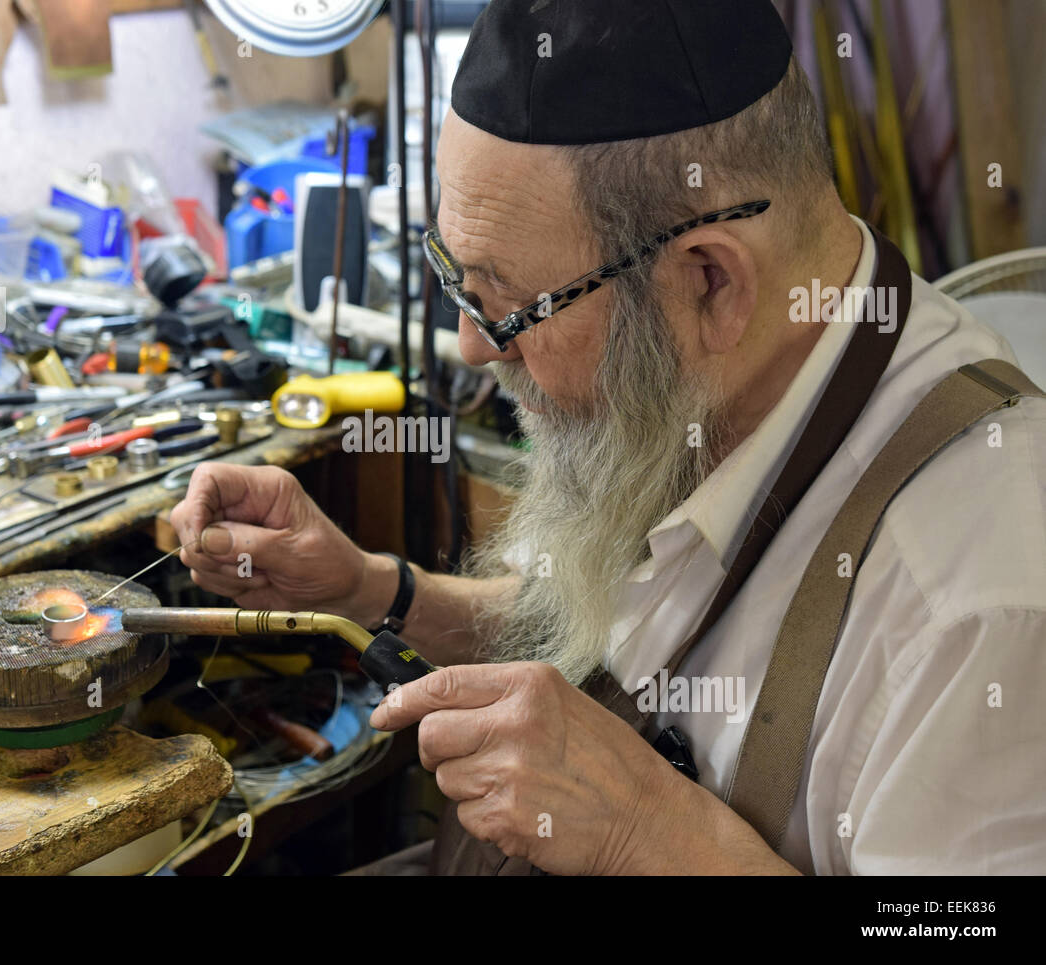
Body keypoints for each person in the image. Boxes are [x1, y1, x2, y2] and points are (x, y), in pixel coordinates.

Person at [171, 0, 1046, 874]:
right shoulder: (710, 382)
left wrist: (652, 833)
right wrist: (371, 590)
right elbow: (615, 630)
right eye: (455, 277)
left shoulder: (980, 609)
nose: (475, 345)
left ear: (709, 283)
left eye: (508, 301)